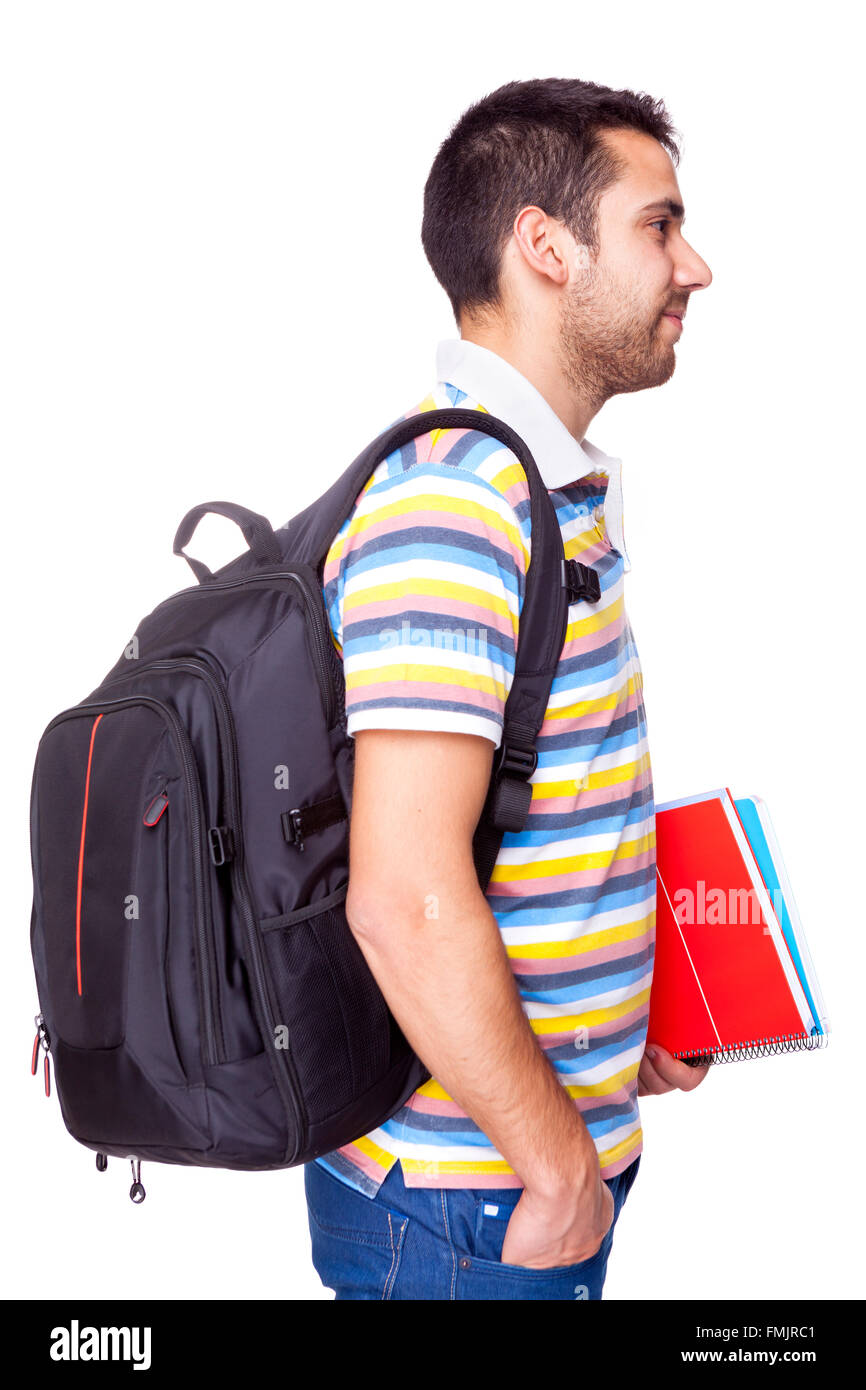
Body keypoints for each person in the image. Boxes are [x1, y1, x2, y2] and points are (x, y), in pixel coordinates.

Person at [303, 75, 713, 1301]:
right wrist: (552, 1165)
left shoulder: (537, 493)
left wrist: (608, 1023)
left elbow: (517, 823)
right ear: (544, 244)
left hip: (507, 1182)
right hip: (464, 1200)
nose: (693, 267)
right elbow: (405, 898)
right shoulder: (455, 506)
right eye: (658, 224)